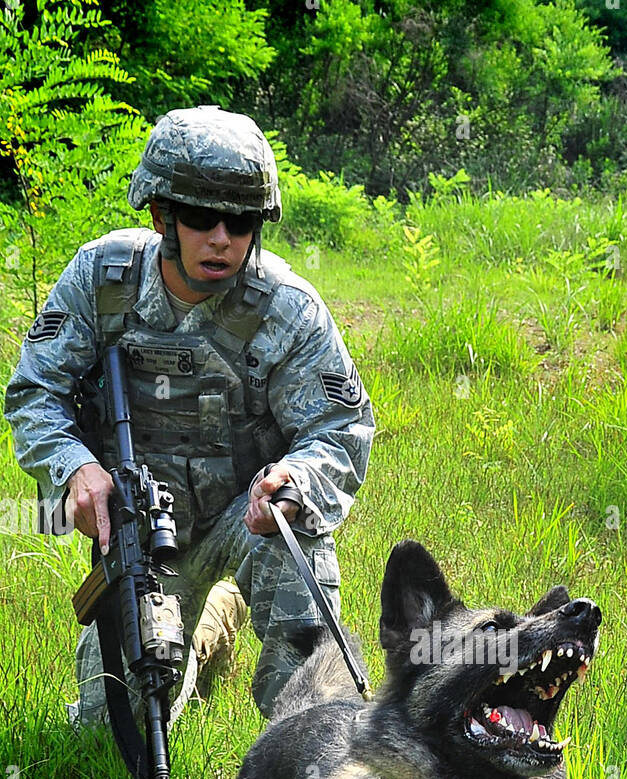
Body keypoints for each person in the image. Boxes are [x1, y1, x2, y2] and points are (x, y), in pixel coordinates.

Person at [4, 105, 375, 733]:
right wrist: (77, 471)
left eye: (242, 221)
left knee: (296, 538)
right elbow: (35, 392)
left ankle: (310, 741)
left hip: (242, 515)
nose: (223, 239)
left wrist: (295, 481)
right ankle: (205, 627)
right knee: (111, 726)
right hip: (139, 532)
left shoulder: (287, 309)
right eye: (203, 218)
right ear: (161, 216)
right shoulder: (102, 282)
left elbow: (341, 428)